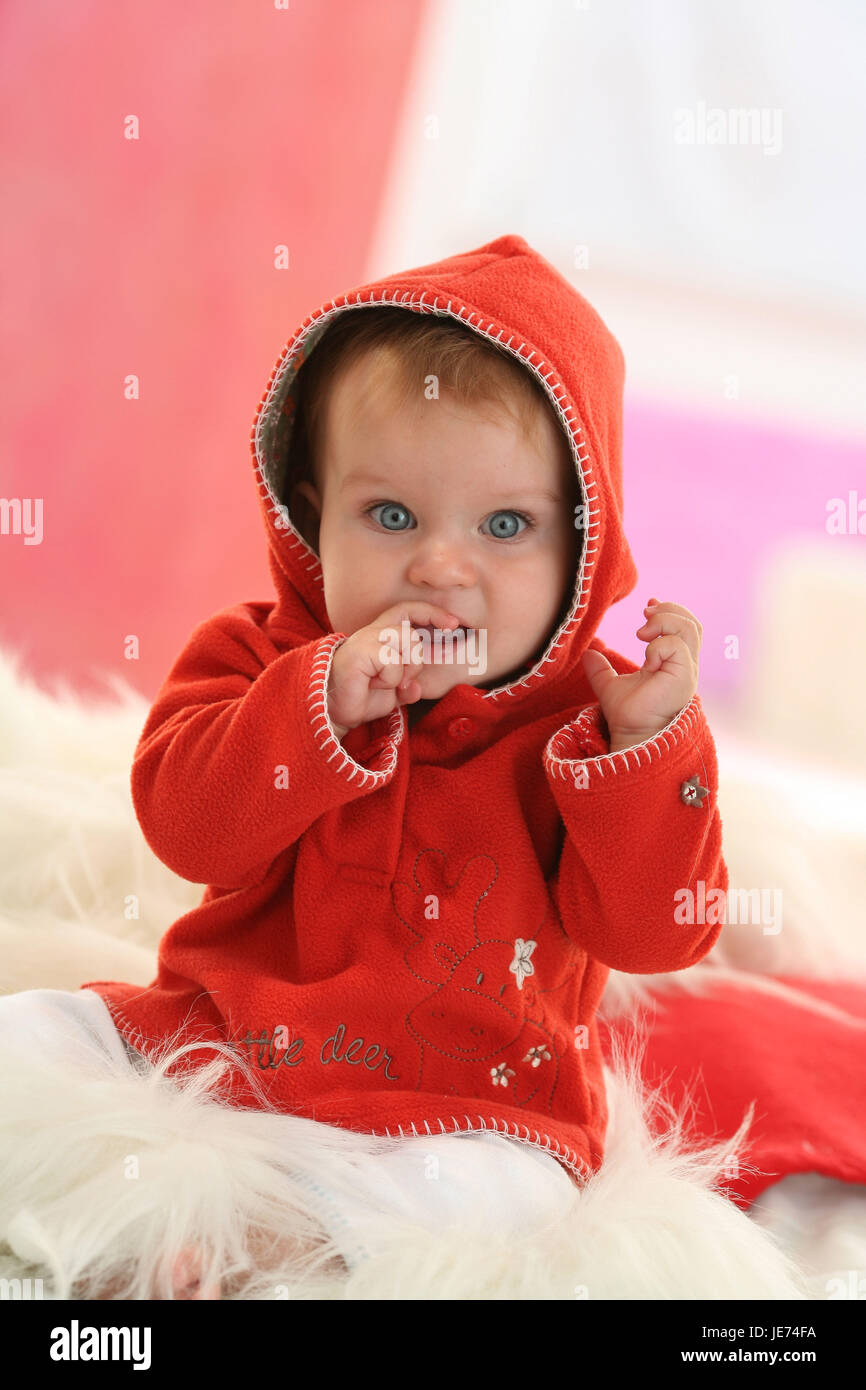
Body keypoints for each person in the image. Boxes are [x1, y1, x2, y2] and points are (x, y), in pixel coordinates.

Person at [1, 234, 726, 1297]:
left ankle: (275, 1258)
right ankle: (145, 1221)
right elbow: (186, 825)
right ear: (310, 512)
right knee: (33, 1035)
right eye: (390, 515)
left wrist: (649, 755)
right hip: (227, 1048)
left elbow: (658, 929)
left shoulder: (587, 725)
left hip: (474, 1100)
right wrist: (318, 706)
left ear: (584, 546)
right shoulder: (258, 661)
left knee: (505, 1201)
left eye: (505, 525)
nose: (439, 565)